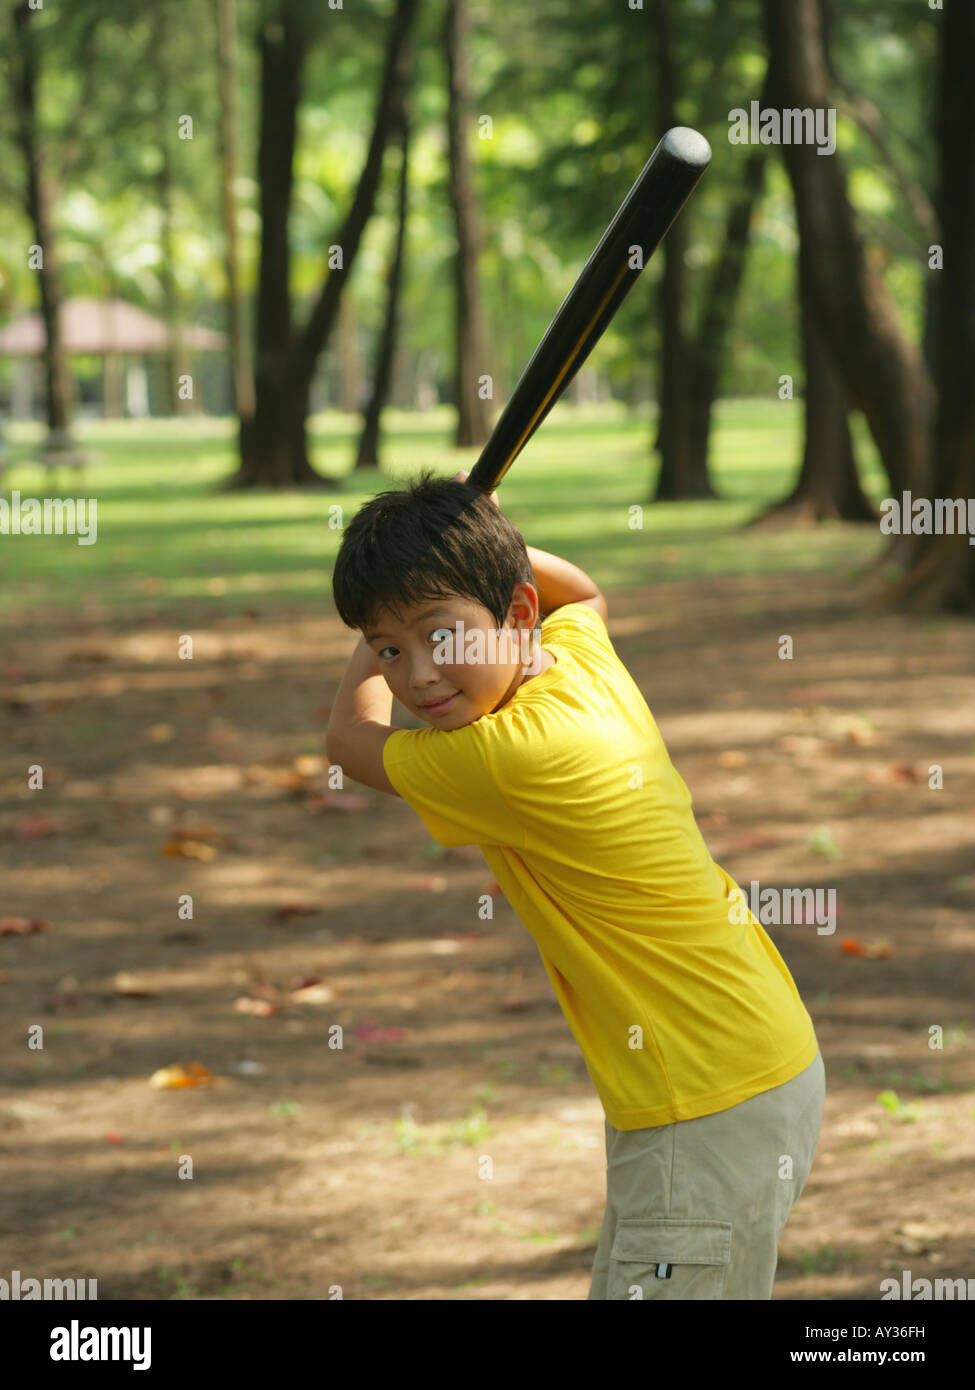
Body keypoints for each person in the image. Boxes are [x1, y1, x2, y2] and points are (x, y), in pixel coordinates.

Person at [325, 467, 825, 1300]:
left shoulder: (503, 758)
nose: (416, 677)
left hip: (700, 1100)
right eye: (391, 651)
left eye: (439, 636)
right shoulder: (574, 662)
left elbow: (347, 740)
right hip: (743, 1065)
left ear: (517, 614)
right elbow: (585, 596)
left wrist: (385, 612)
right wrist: (473, 549)